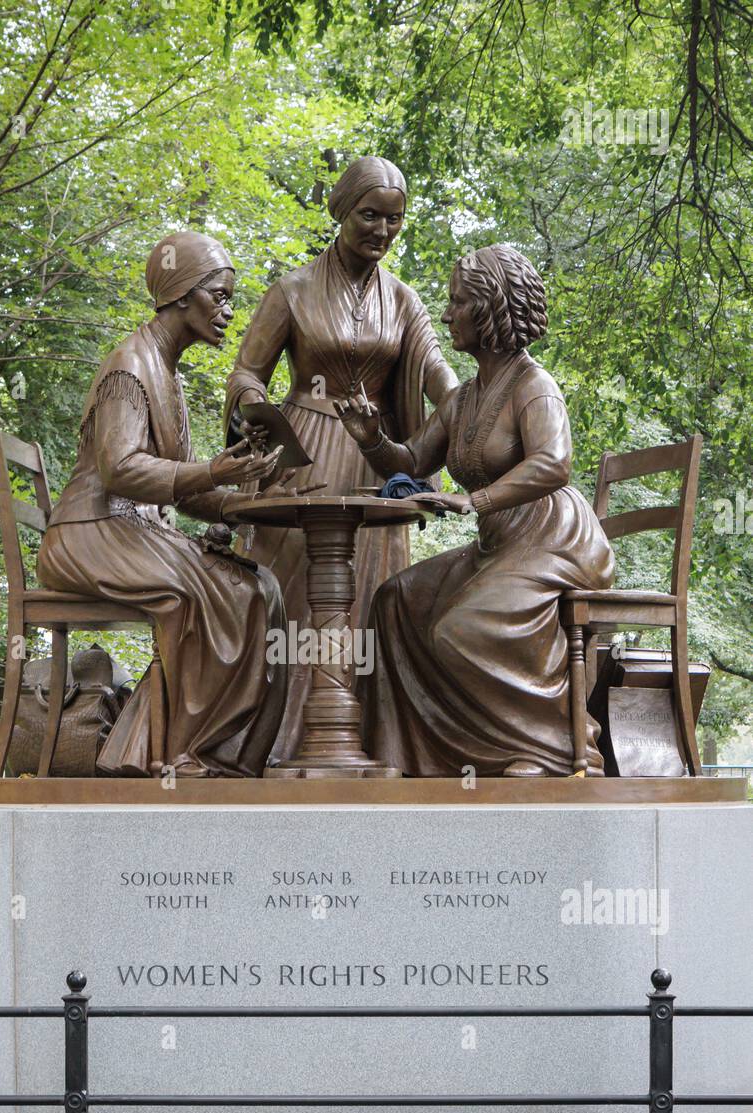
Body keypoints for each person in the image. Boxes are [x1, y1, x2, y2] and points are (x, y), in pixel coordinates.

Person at [334, 243, 615, 777]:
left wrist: (473, 499)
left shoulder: (535, 386)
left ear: (490, 310)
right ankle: (410, 758)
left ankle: (553, 749)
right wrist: (372, 439)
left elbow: (554, 464)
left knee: (461, 629)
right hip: (497, 543)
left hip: (553, 540)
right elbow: (413, 459)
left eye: (458, 302)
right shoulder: (462, 398)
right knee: (394, 601)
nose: (447, 315)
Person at [224, 155, 458, 759]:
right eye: (370, 215)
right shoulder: (293, 290)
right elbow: (247, 371)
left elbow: (437, 372)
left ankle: (360, 739)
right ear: (342, 211)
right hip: (301, 453)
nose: (383, 230)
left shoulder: (403, 300)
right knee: (293, 595)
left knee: (369, 594)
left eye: (394, 219)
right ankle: (278, 742)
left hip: (374, 458)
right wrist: (253, 408)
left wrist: (469, 409)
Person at [37, 231, 288, 778]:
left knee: (262, 587)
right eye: (218, 297)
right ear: (180, 294)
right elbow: (121, 469)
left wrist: (250, 498)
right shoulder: (130, 367)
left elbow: (187, 490)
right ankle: (178, 751)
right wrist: (214, 471)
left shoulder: (168, 376)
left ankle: (226, 752)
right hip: (90, 532)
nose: (228, 312)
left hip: (131, 530)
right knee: (200, 592)